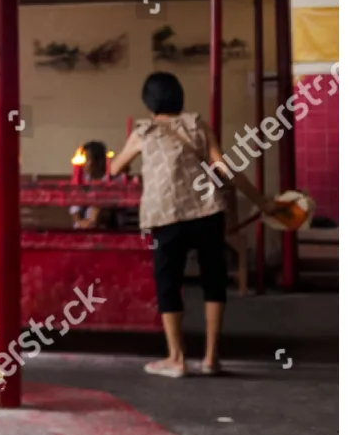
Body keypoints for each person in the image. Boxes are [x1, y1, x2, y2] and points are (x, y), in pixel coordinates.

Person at [109, 72, 275, 378]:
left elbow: (116, 167)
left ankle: (176, 358)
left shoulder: (144, 132)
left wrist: (130, 161)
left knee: (168, 283)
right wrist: (260, 200)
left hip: (166, 217)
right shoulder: (197, 124)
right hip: (207, 212)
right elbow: (224, 165)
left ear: (148, 102)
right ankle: (212, 357)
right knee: (214, 280)